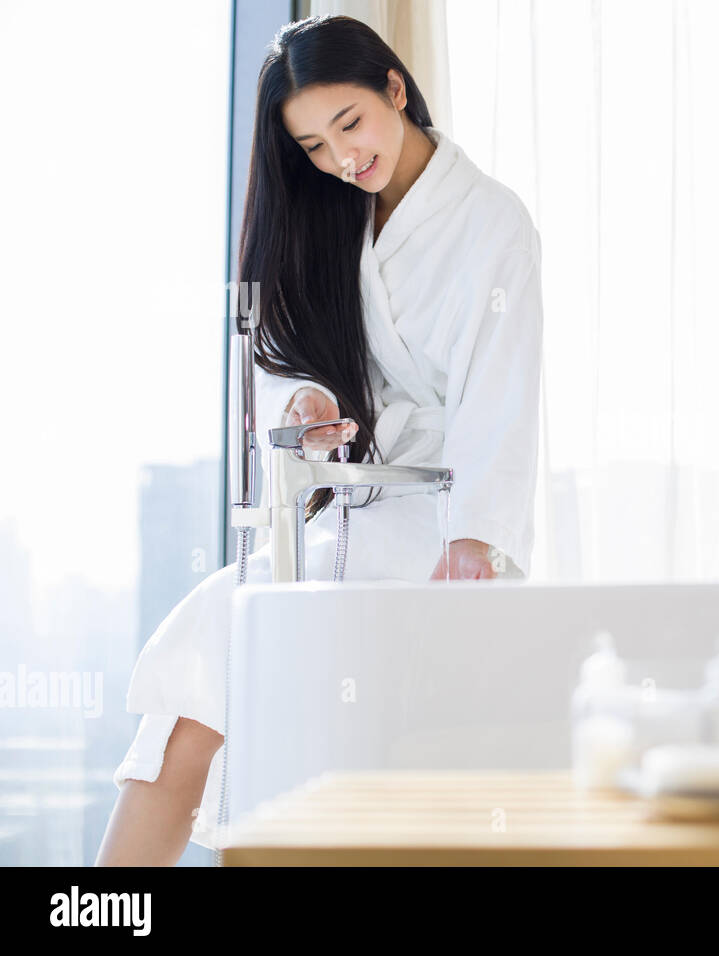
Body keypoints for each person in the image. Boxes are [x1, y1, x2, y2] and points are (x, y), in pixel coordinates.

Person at [95, 14, 543, 865]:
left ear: (394, 90)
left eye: (351, 124)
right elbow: (294, 361)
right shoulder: (336, 215)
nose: (342, 157)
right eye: (312, 145)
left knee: (217, 660)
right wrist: (306, 405)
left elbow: (503, 399)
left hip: (445, 528)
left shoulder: (493, 224)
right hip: (352, 507)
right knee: (195, 694)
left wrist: (475, 542)